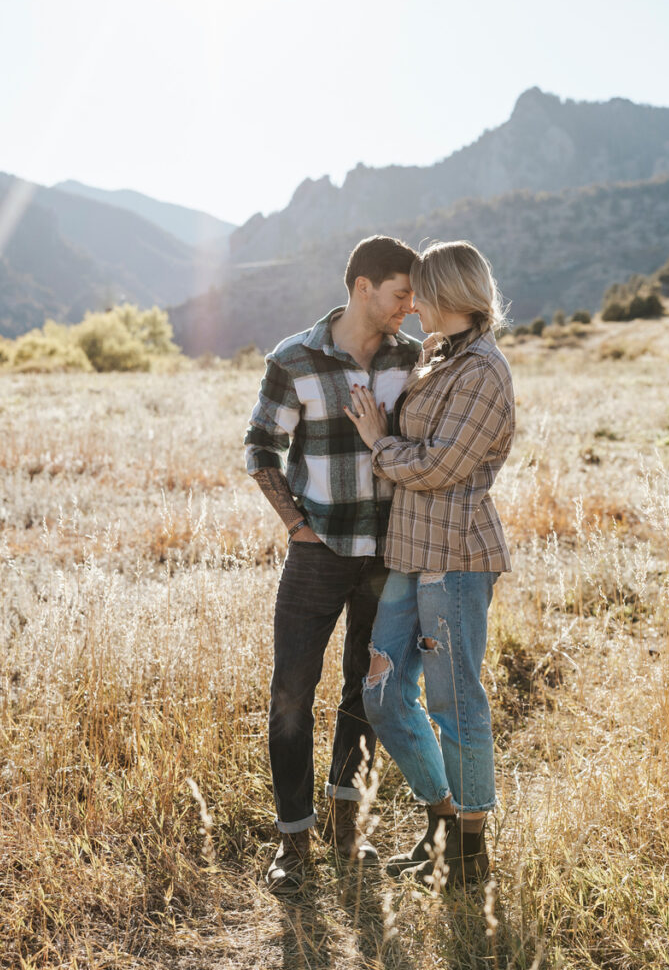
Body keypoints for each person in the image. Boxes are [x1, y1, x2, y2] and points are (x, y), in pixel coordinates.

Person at [244, 234, 422, 894]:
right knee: (291, 694)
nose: (411, 305)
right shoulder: (294, 359)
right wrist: (296, 524)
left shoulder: (414, 360)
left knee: (366, 694)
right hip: (316, 557)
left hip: (388, 555)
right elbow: (260, 447)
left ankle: (349, 832)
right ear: (363, 288)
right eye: (402, 292)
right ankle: (294, 842)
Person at [343, 240, 513, 892]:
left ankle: (470, 855)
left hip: (458, 559)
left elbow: (441, 466)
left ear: (453, 294)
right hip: (409, 554)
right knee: (382, 695)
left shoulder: (484, 372)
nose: (413, 305)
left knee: (454, 700)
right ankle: (442, 819)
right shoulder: (435, 355)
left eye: (422, 293)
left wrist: (376, 442)